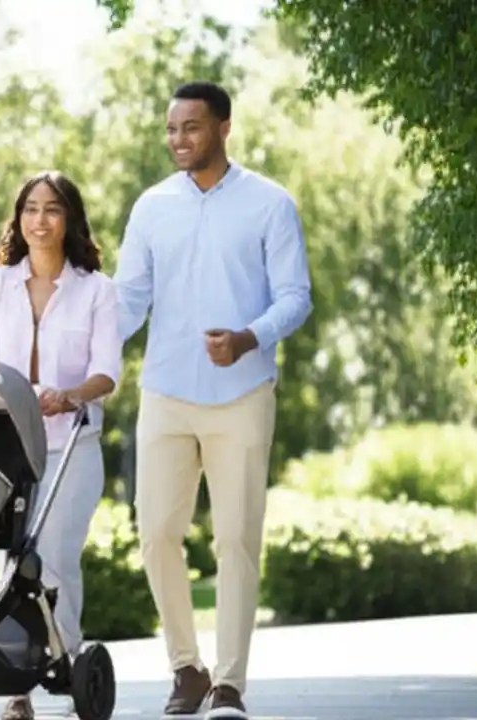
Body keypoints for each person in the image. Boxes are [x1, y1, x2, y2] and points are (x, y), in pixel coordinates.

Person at [113, 81, 313, 720]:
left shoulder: (269, 205)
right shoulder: (151, 207)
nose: (179, 140)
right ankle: (186, 668)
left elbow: (295, 296)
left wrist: (250, 338)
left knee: (235, 539)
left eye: (191, 128)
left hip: (242, 394)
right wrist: (76, 351)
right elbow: (127, 301)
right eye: (171, 129)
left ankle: (228, 683)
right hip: (165, 392)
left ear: (224, 128)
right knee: (156, 535)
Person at [0, 170, 121, 720]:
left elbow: (107, 374)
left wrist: (69, 395)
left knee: (53, 558)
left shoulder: (97, 291)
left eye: (52, 209)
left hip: (72, 445)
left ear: (70, 218)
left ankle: (65, 658)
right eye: (31, 209)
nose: (40, 220)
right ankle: (16, 686)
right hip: (8, 449)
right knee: (11, 565)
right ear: (18, 218)